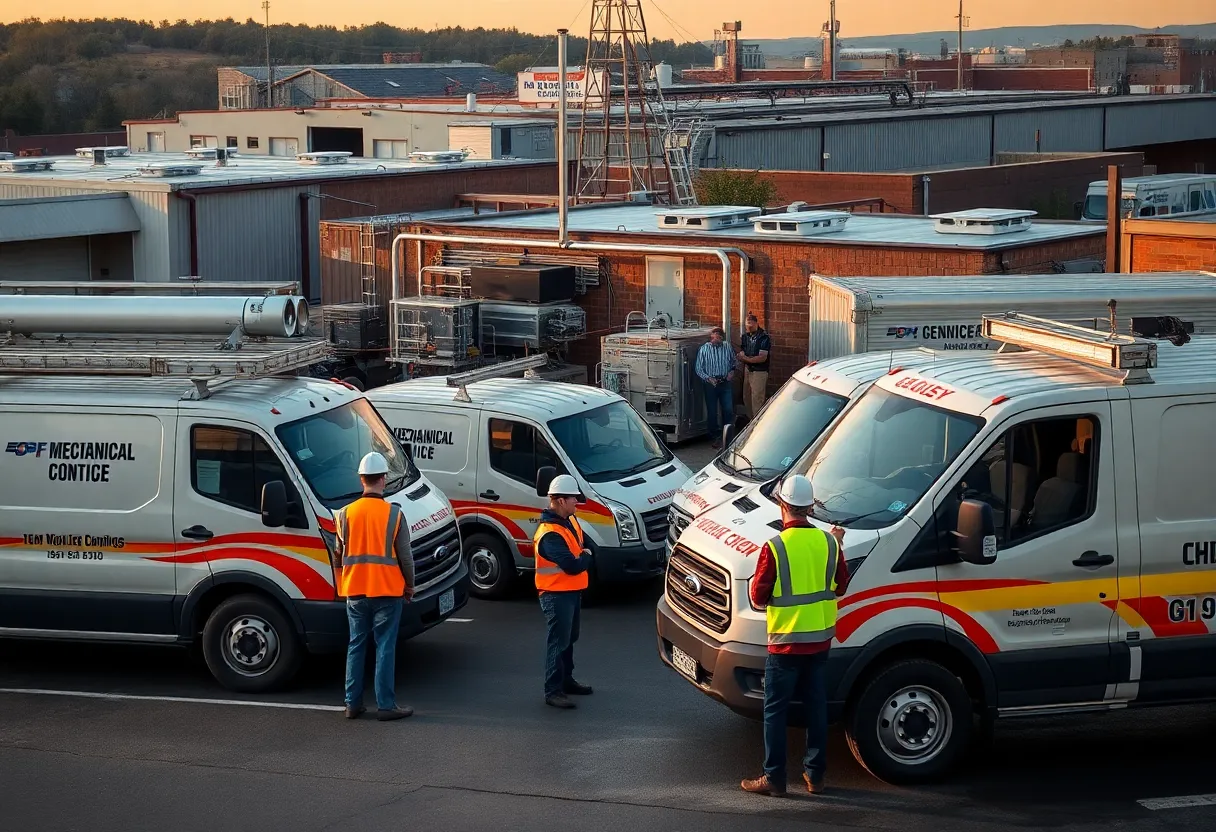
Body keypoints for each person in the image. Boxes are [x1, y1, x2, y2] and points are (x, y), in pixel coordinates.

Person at [741, 475, 849, 797]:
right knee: (817, 708)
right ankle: (815, 777)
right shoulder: (830, 543)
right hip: (819, 643)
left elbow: (759, 598)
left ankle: (773, 778)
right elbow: (840, 586)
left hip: (786, 645)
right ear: (810, 507)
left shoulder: (774, 547)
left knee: (775, 710)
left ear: (783, 506)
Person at [335, 451, 415, 722]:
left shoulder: (344, 515)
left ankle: (351, 704)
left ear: (361, 479)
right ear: (383, 479)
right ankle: (385, 706)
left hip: (355, 590)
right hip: (387, 591)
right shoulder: (394, 515)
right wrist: (410, 586)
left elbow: (338, 554)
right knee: (384, 647)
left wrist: (342, 584)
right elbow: (405, 556)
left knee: (356, 645)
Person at [534, 474, 595, 709]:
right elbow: (572, 565)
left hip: (570, 591)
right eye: (573, 499)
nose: (576, 502)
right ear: (559, 501)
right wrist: (586, 557)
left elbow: (581, 549)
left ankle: (566, 681)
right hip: (555, 594)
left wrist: (584, 556)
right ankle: (553, 691)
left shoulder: (569, 521)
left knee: (569, 639)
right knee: (558, 642)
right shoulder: (550, 534)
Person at [695, 326, 738, 449]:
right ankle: (715, 436)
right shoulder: (704, 349)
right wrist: (708, 378)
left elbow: (733, 361)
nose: (714, 340)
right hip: (711, 383)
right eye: (712, 338)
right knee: (712, 412)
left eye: (717, 338)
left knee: (728, 409)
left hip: (725, 382)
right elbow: (698, 368)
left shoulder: (727, 346)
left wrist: (732, 372)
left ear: (722, 338)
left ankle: (728, 435)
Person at [736, 313, 772, 420]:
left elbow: (762, 358)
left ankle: (758, 423)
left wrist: (745, 359)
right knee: (746, 397)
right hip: (748, 370)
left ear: (756, 323)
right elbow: (742, 351)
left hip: (759, 371)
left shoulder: (763, 338)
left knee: (757, 399)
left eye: (751, 325)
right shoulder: (745, 337)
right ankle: (751, 421)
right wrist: (743, 356)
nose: (749, 327)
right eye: (747, 325)